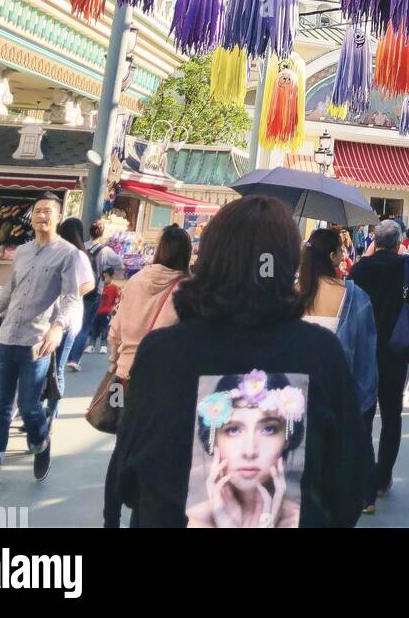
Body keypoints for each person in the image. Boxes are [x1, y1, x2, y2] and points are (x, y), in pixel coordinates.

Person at [112, 195, 363, 527]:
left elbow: (129, 472)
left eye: (269, 427)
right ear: (288, 263)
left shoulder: (161, 352)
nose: (248, 450)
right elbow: (350, 480)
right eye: (232, 428)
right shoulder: (320, 352)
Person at [0, 193, 83, 497]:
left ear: (58, 217)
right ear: (32, 218)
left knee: (30, 406)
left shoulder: (67, 254)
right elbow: (8, 292)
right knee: (0, 408)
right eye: (38, 211)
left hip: (36, 342)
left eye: (48, 212)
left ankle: (41, 441)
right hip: (6, 338)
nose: (42, 216)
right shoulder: (22, 252)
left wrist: (58, 328)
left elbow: (72, 297)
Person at [103, 224, 191, 527]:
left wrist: (115, 363)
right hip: (161, 385)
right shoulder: (187, 289)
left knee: (121, 448)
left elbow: (115, 329)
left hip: (124, 377)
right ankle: (140, 515)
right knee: (153, 451)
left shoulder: (136, 280)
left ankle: (110, 517)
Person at [347, 219, 409, 506]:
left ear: (374, 242)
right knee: (392, 415)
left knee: (364, 417)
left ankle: (366, 484)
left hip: (364, 350)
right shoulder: (408, 269)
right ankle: (383, 478)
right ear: (398, 243)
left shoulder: (360, 269)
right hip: (395, 351)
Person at [299, 227, 378, 514]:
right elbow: (366, 359)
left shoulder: (294, 296)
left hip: (299, 396)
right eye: (341, 250)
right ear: (333, 256)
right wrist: (365, 403)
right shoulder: (354, 297)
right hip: (340, 396)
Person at [67, 219, 123, 366]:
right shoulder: (105, 250)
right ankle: (74, 359)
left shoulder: (81, 246)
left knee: (73, 323)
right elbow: (119, 263)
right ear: (102, 233)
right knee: (85, 326)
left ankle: (66, 355)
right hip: (95, 291)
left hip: (78, 289)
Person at [53, 216, 95, 392]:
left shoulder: (77, 255)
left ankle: (50, 413)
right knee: (48, 368)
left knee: (56, 369)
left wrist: (69, 293)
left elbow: (89, 284)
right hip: (50, 318)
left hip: (67, 319)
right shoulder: (56, 251)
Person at [90, 268, 121, 352]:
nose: (104, 279)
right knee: (94, 328)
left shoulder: (115, 288)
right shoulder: (99, 287)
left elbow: (118, 299)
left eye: (106, 277)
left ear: (112, 277)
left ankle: (103, 345)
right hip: (96, 311)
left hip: (107, 312)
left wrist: (115, 308)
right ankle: (91, 344)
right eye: (103, 277)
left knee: (105, 329)